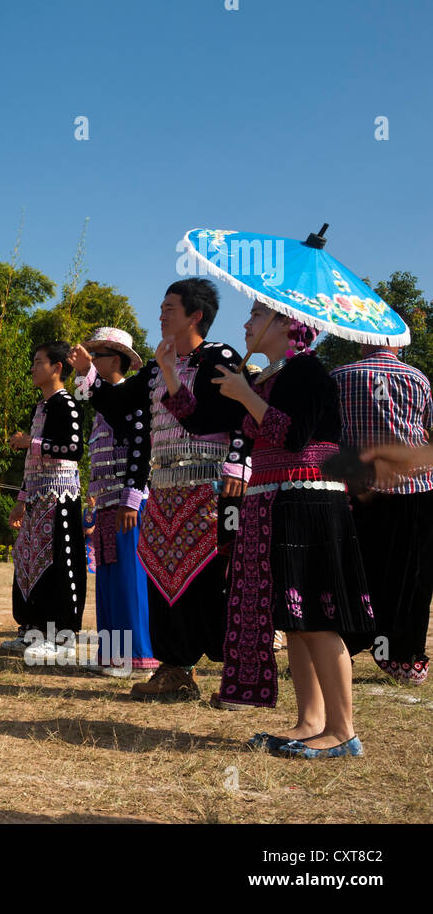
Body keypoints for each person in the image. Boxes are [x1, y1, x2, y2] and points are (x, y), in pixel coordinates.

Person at [68, 278, 249, 701]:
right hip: (164, 488)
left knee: (214, 578)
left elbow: (240, 414)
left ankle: (238, 675)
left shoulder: (220, 357)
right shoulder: (155, 365)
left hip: (211, 485)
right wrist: (87, 375)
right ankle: (175, 670)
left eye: (170, 307)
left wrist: (239, 462)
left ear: (195, 315)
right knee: (164, 579)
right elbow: (117, 405)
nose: (161, 313)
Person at [212, 304, 373, 756]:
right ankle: (311, 720)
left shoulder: (307, 373)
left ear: (288, 323)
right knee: (296, 618)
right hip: (279, 499)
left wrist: (247, 396)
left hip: (308, 499)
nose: (246, 324)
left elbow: (295, 436)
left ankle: (343, 731)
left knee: (318, 618)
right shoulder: (276, 377)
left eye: (257, 314)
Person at [333, 343, 433, 686]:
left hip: (359, 489)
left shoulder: (340, 376)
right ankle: (403, 659)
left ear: (362, 340)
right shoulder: (418, 378)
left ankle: (340, 648)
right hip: (414, 488)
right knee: (410, 580)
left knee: (352, 574)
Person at [78, 327, 158, 672]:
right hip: (108, 504)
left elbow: (141, 450)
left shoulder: (132, 398)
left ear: (116, 360)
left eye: (98, 355)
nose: (93, 361)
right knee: (110, 580)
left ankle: (138, 655)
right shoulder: (104, 407)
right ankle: (112, 654)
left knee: (131, 579)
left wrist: (130, 498)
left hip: (129, 503)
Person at [4, 342, 87, 663]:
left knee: (59, 565)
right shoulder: (41, 406)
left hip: (61, 497)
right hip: (38, 497)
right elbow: (33, 462)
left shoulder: (67, 404)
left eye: (39, 362)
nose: (33, 368)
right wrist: (21, 500)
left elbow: (73, 449)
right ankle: (33, 629)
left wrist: (32, 443)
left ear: (57, 367)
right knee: (29, 561)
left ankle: (62, 634)